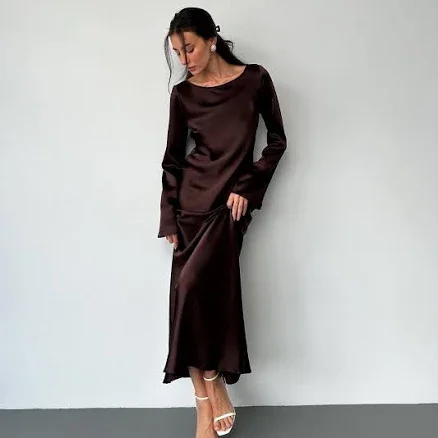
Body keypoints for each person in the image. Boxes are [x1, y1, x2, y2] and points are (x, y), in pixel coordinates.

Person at [158, 7, 287, 437]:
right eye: (177, 52)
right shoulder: (183, 95)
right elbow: (173, 161)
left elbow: (277, 141)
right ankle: (205, 399)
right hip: (190, 207)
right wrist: (169, 217)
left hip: (229, 209)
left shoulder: (255, 80)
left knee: (201, 295)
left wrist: (248, 186)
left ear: (212, 40)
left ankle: (213, 383)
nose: (184, 59)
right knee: (186, 297)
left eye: (190, 48)